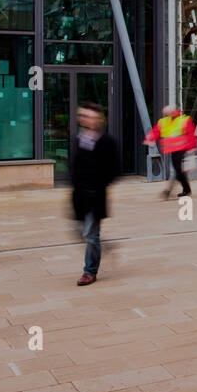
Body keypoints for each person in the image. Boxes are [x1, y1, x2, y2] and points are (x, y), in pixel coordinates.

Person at [70, 103, 121, 286]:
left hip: (95, 196)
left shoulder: (107, 141)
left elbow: (115, 168)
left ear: (98, 119)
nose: (83, 119)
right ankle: (103, 247)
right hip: (79, 197)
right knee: (81, 234)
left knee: (90, 235)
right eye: (82, 115)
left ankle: (89, 272)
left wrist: (100, 182)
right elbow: (73, 166)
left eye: (88, 116)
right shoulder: (79, 138)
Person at [144, 104, 197, 199]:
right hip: (173, 150)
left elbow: (191, 134)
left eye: (168, 113)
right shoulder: (164, 122)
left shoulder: (184, 120)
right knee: (178, 170)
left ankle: (169, 190)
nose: (167, 115)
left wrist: (191, 148)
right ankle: (185, 189)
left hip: (182, 149)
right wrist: (150, 138)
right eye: (166, 114)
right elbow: (156, 131)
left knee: (177, 169)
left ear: (173, 112)